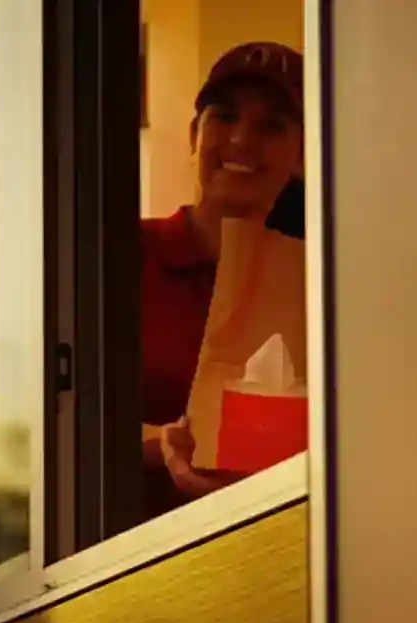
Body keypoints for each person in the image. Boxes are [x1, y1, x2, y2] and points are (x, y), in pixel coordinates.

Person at [139, 41, 305, 514]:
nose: (241, 140)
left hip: (276, 546)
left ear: (301, 153)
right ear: (195, 135)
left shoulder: (317, 283)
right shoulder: (124, 257)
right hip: (132, 557)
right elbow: (58, 430)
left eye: (271, 125)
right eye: (225, 117)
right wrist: (162, 442)